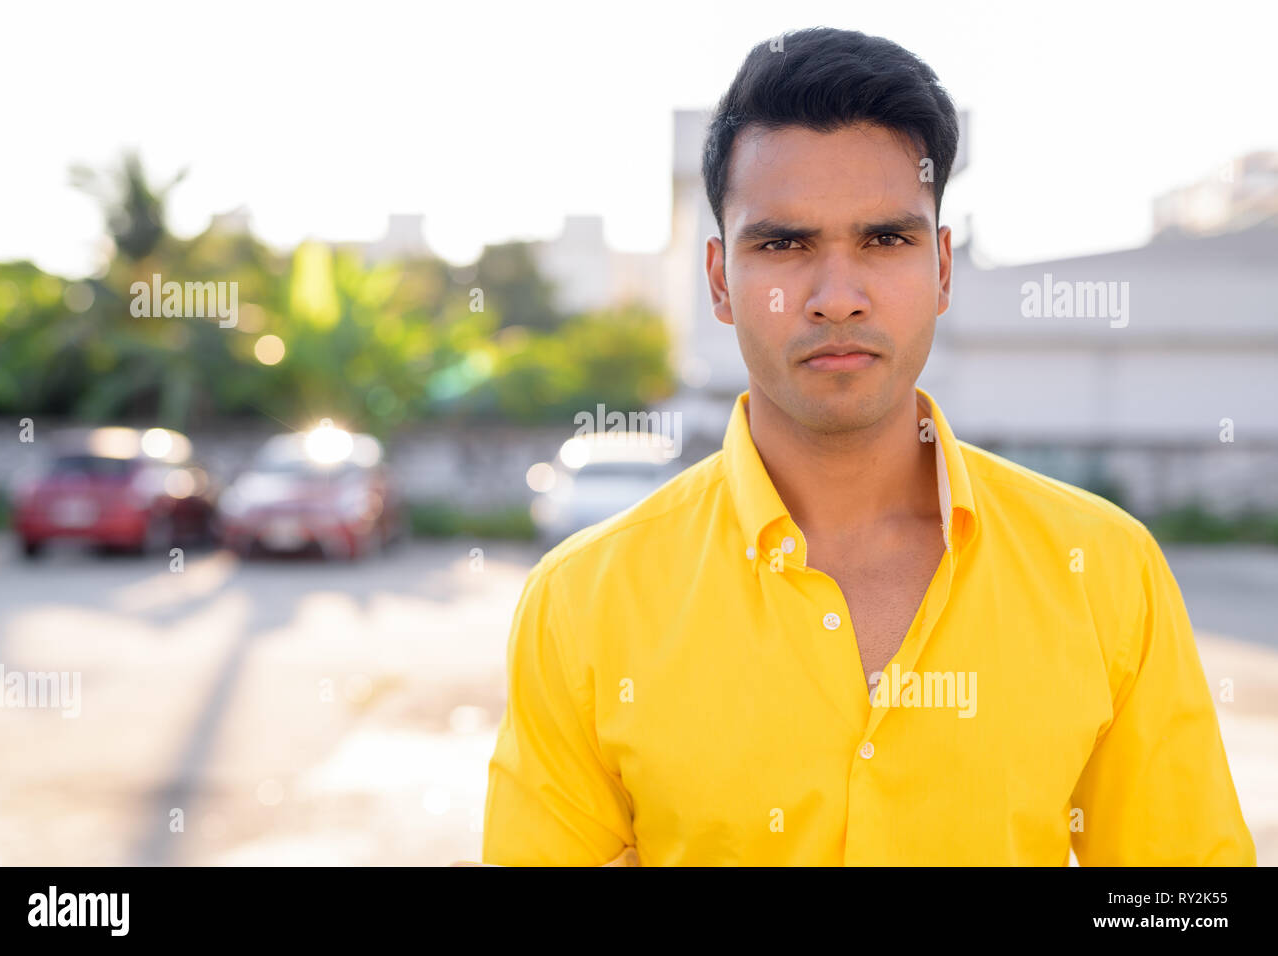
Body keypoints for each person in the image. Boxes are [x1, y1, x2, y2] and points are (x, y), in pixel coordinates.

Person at [482, 26, 1255, 866]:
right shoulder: (582, 604)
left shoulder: (1105, 571)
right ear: (718, 282)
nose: (838, 297)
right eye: (784, 244)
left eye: (886, 239)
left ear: (944, 270)